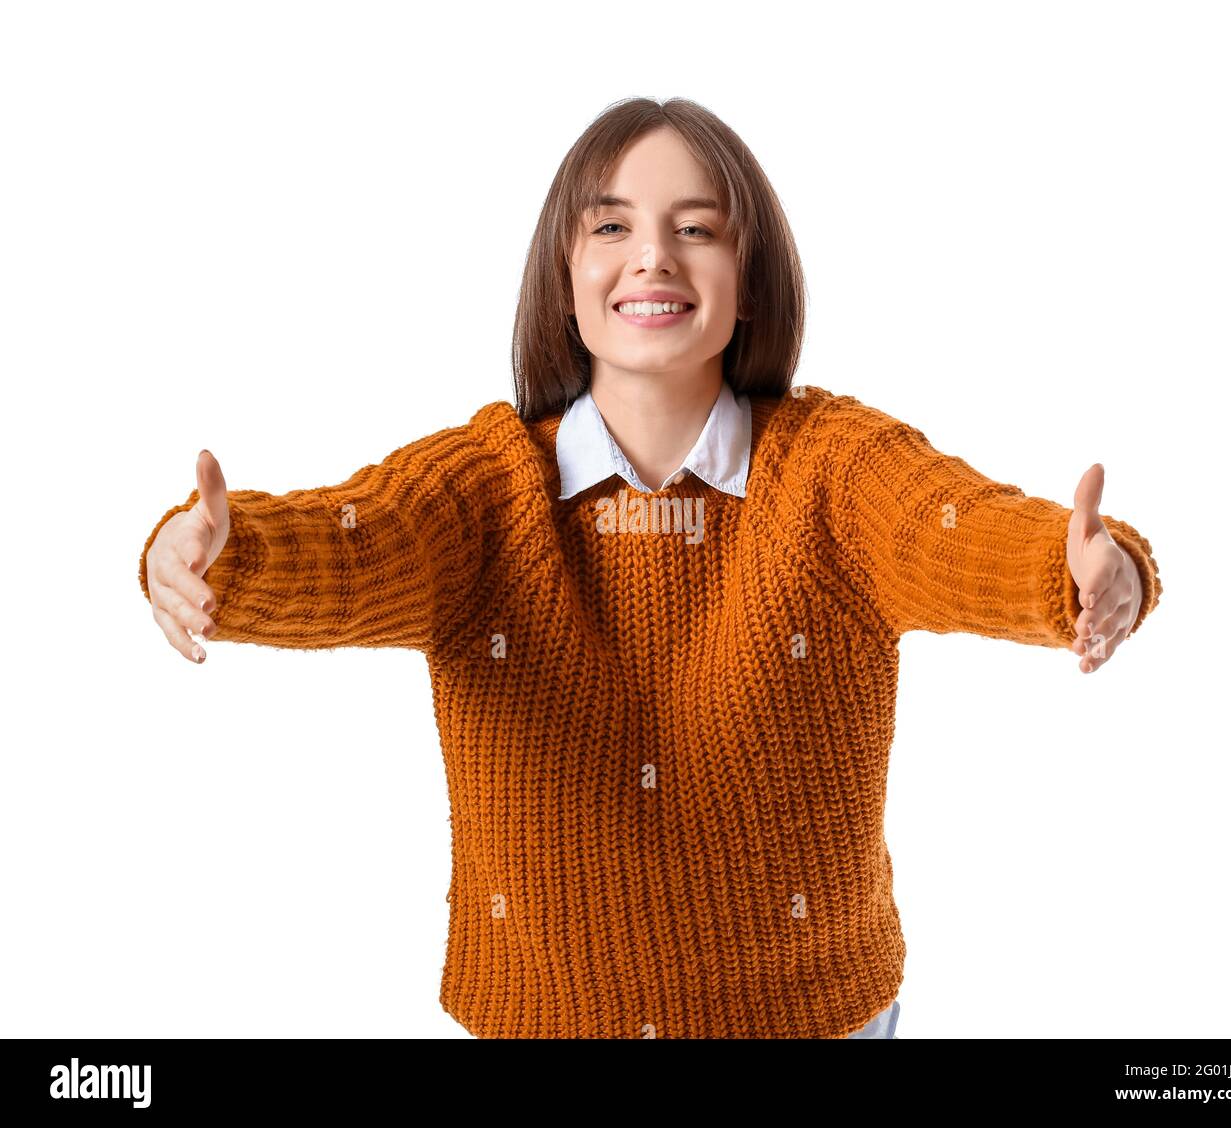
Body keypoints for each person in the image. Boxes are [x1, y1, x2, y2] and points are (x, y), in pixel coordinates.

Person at [139, 97, 1162, 1039]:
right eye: (612, 226)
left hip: (818, 1018)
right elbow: (361, 537)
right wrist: (211, 554)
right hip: (541, 1019)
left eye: (697, 228)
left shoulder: (831, 467)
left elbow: (947, 529)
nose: (654, 258)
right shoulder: (490, 486)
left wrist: (1075, 567)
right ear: (564, 276)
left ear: (749, 281)